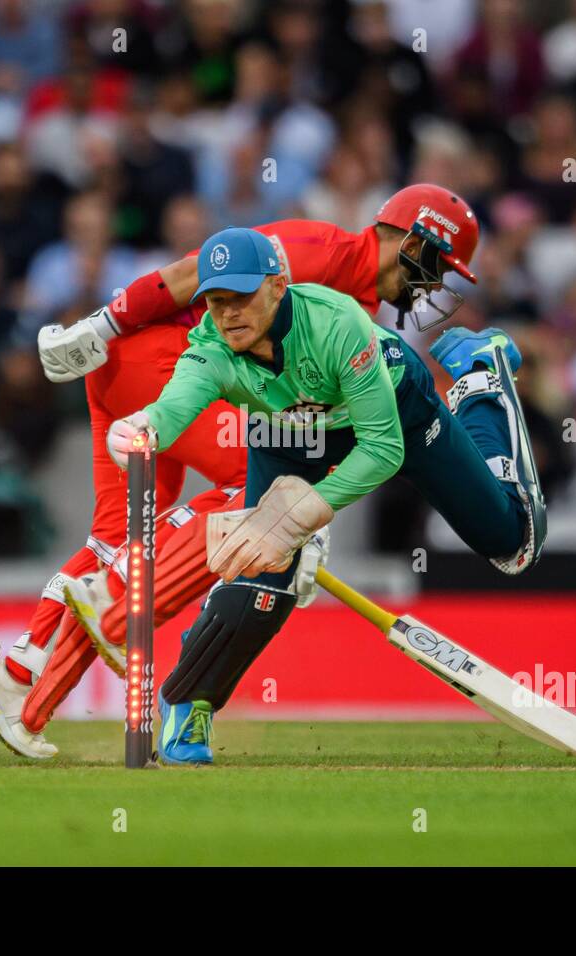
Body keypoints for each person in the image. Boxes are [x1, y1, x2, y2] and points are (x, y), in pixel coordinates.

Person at [0, 184, 497, 758]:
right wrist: (107, 322)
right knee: (253, 490)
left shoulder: (359, 306)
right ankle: (120, 593)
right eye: (439, 266)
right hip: (163, 364)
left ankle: (17, 679)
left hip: (130, 369)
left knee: (114, 539)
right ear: (415, 242)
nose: (437, 285)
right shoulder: (324, 252)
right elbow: (198, 271)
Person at [101, 226, 546, 765]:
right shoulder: (211, 346)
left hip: (394, 408)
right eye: (216, 302)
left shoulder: (337, 325)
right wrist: (139, 429)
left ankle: (479, 375)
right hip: (288, 435)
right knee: (262, 571)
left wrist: (306, 515)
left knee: (511, 542)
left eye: (241, 298)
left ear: (278, 284)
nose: (228, 315)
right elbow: (172, 411)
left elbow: (382, 450)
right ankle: (187, 704)